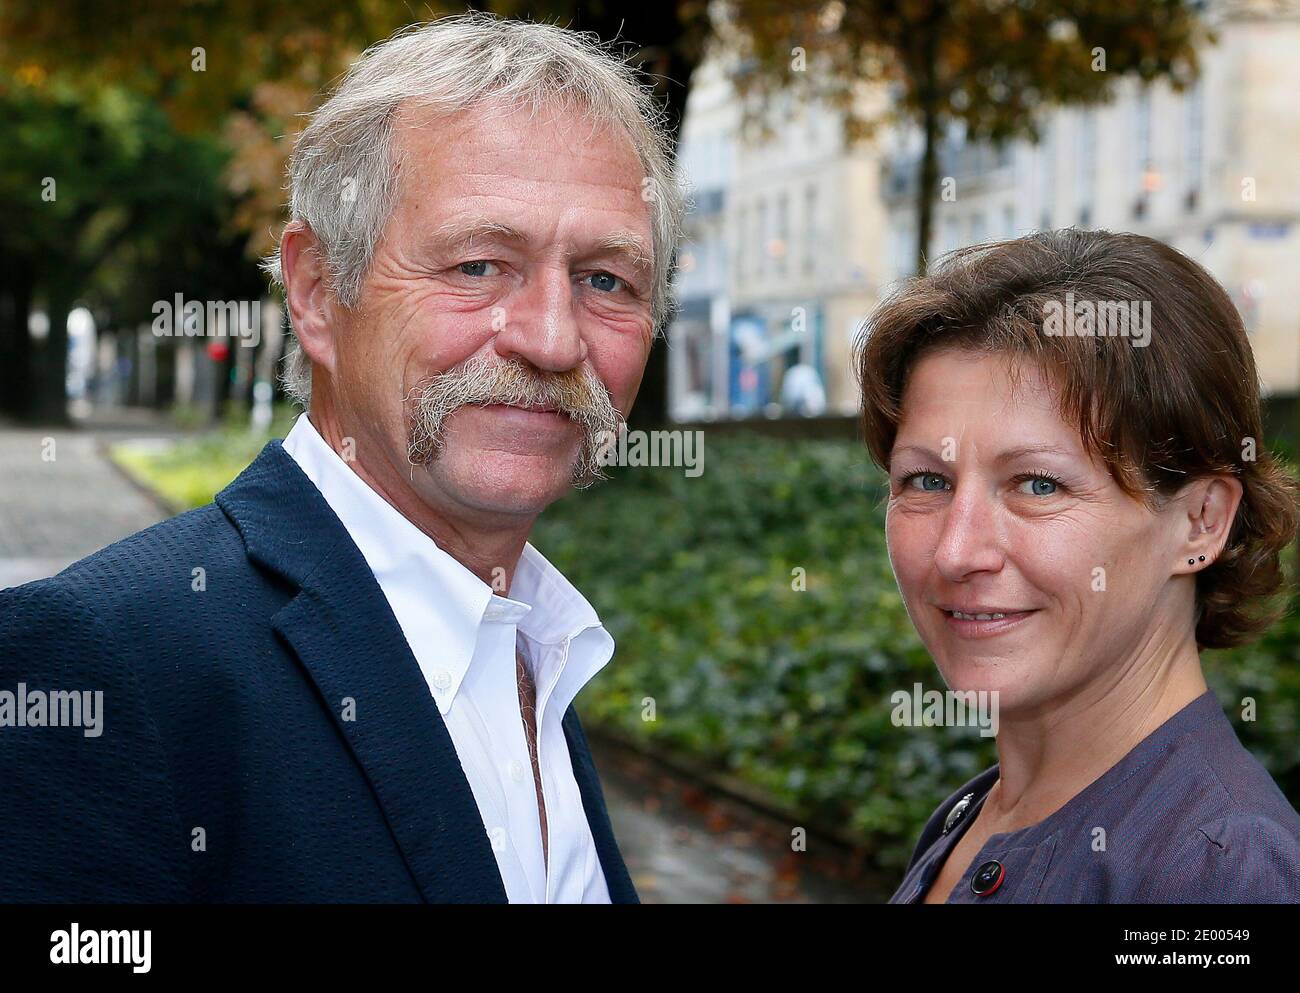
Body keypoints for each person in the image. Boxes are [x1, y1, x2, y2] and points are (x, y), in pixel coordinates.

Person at [0, 12, 685, 903]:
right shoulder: (105, 661)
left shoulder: (538, 649)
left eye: (606, 280)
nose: (553, 339)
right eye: (479, 264)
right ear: (318, 292)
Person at [856, 228, 1300, 903]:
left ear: (1202, 519)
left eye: (1038, 484)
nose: (956, 551)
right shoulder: (973, 817)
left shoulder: (1221, 872)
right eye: (926, 481)